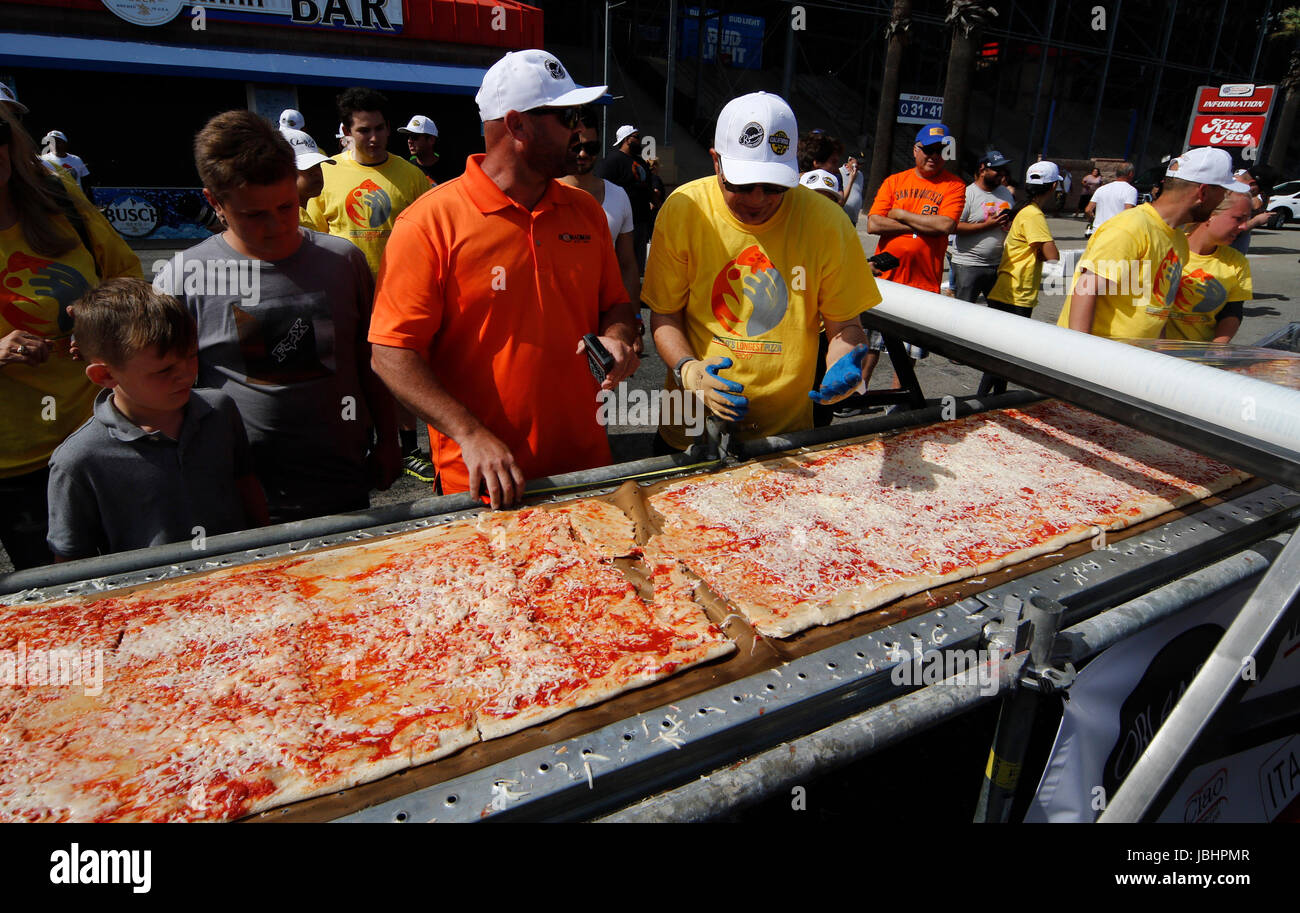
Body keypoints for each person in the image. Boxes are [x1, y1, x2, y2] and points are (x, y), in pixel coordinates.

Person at [368, 49, 639, 509]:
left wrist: (618, 338)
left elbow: (616, 303)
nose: (580, 130)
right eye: (567, 116)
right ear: (516, 126)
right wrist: (469, 433)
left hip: (586, 468)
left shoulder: (588, 212)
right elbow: (391, 354)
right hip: (482, 484)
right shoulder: (429, 224)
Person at [157, 110, 399, 523]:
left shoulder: (342, 261)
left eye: (287, 206)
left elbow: (368, 356)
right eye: (254, 215)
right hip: (241, 489)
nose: (277, 225)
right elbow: (162, 386)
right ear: (214, 202)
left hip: (341, 479)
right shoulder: (183, 278)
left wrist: (388, 442)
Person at [643, 91, 879, 452]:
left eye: (774, 186)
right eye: (741, 184)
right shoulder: (684, 210)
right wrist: (688, 369)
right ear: (716, 162)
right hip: (688, 425)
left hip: (784, 434)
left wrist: (844, 357)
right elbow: (665, 314)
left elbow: (845, 325)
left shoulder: (827, 223)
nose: (757, 199)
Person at [0, 106, 141, 570]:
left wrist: (99, 314)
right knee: (63, 598)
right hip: (17, 466)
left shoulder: (57, 196)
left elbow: (126, 276)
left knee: (142, 577)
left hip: (102, 431)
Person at [46, 279, 268, 560]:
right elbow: (70, 558)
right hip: (148, 598)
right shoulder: (78, 459)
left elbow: (245, 483)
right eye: (163, 370)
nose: (186, 374)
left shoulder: (219, 410)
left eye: (191, 356)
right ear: (105, 376)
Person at [304, 87, 434, 481]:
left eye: (380, 128)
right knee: (350, 374)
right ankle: (359, 444)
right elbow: (313, 235)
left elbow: (429, 234)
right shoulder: (325, 174)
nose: (374, 138)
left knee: (401, 369)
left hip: (398, 294)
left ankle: (409, 448)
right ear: (346, 130)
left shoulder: (411, 176)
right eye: (364, 130)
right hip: (344, 296)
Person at [1058, 147, 1246, 339]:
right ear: (1203, 192)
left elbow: (1157, 309)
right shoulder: (1132, 227)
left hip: (1135, 359)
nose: (1222, 200)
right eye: (1223, 192)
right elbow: (1086, 290)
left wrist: (1158, 351)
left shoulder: (1178, 238)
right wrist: (1082, 354)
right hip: (1102, 361)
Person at [558, 111, 642, 352]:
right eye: (576, 147)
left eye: (591, 147)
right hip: (555, 320)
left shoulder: (618, 195)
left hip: (605, 321)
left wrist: (635, 320)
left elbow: (627, 264)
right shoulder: (545, 192)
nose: (583, 154)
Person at [979, 161, 1061, 396]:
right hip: (1017, 291)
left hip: (1008, 287)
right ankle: (982, 400)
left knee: (1004, 355)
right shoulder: (1034, 215)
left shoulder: (1025, 210)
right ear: (1054, 186)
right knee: (1005, 356)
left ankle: (993, 400)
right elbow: (1052, 255)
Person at [867, 123, 966, 294]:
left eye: (941, 150)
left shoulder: (955, 185)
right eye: (928, 150)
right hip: (886, 275)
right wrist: (926, 227)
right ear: (915, 150)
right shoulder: (894, 182)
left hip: (924, 282)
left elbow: (945, 226)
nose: (934, 156)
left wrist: (900, 214)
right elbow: (874, 225)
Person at [1167, 190, 1252, 343]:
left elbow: (1232, 312)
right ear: (1211, 215)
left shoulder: (1237, 262)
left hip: (1199, 355)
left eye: (1247, 220)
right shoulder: (1168, 246)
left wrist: (1216, 349)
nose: (1244, 227)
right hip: (1152, 354)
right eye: (1238, 219)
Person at [949, 150, 1014, 305]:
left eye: (1004, 170)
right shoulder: (967, 194)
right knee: (963, 311)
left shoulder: (1005, 192)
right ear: (983, 169)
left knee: (999, 313)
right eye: (997, 169)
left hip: (998, 264)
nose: (1001, 173)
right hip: (968, 264)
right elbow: (953, 227)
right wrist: (987, 225)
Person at [597, 124, 653, 271]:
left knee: (637, 267)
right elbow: (602, 187)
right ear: (627, 140)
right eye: (637, 137)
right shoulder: (612, 161)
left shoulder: (641, 162)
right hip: (620, 224)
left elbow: (648, 188)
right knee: (619, 266)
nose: (640, 141)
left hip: (640, 222)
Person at [279, 126, 335, 224]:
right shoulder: (291, 223)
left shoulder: (300, 218)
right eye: (307, 167)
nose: (317, 173)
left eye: (318, 165)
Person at [1228, 167, 1274, 256]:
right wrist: (1256, 221)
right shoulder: (1233, 195)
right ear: (1252, 184)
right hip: (1223, 259)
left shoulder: (1237, 193)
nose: (1258, 194)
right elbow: (1229, 231)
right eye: (1260, 190)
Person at [1085, 161, 1137, 229]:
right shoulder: (1130, 190)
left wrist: (1093, 221)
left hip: (1097, 230)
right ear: (1131, 174)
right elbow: (1128, 213)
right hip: (1115, 231)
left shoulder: (1101, 189)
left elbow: (1088, 210)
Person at [40, 131, 90, 195]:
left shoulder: (77, 160)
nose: (54, 144)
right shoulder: (42, 160)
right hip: (53, 201)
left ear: (65, 143)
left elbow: (85, 182)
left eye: (58, 141)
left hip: (76, 201)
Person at [398, 114, 439, 184]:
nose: (409, 141)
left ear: (431, 140)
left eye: (414, 136)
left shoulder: (450, 169)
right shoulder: (405, 170)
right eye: (408, 136)